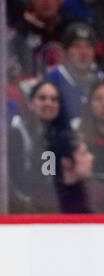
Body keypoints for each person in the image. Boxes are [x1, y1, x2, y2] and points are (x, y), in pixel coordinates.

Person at [7, 80, 72, 212]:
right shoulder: (15, 132)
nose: (48, 103)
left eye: (54, 99)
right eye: (42, 98)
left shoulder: (61, 135)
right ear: (30, 103)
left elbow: (48, 178)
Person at [42, 22, 104, 118]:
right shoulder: (52, 80)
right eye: (76, 46)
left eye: (88, 47)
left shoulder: (102, 80)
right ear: (65, 51)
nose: (83, 52)